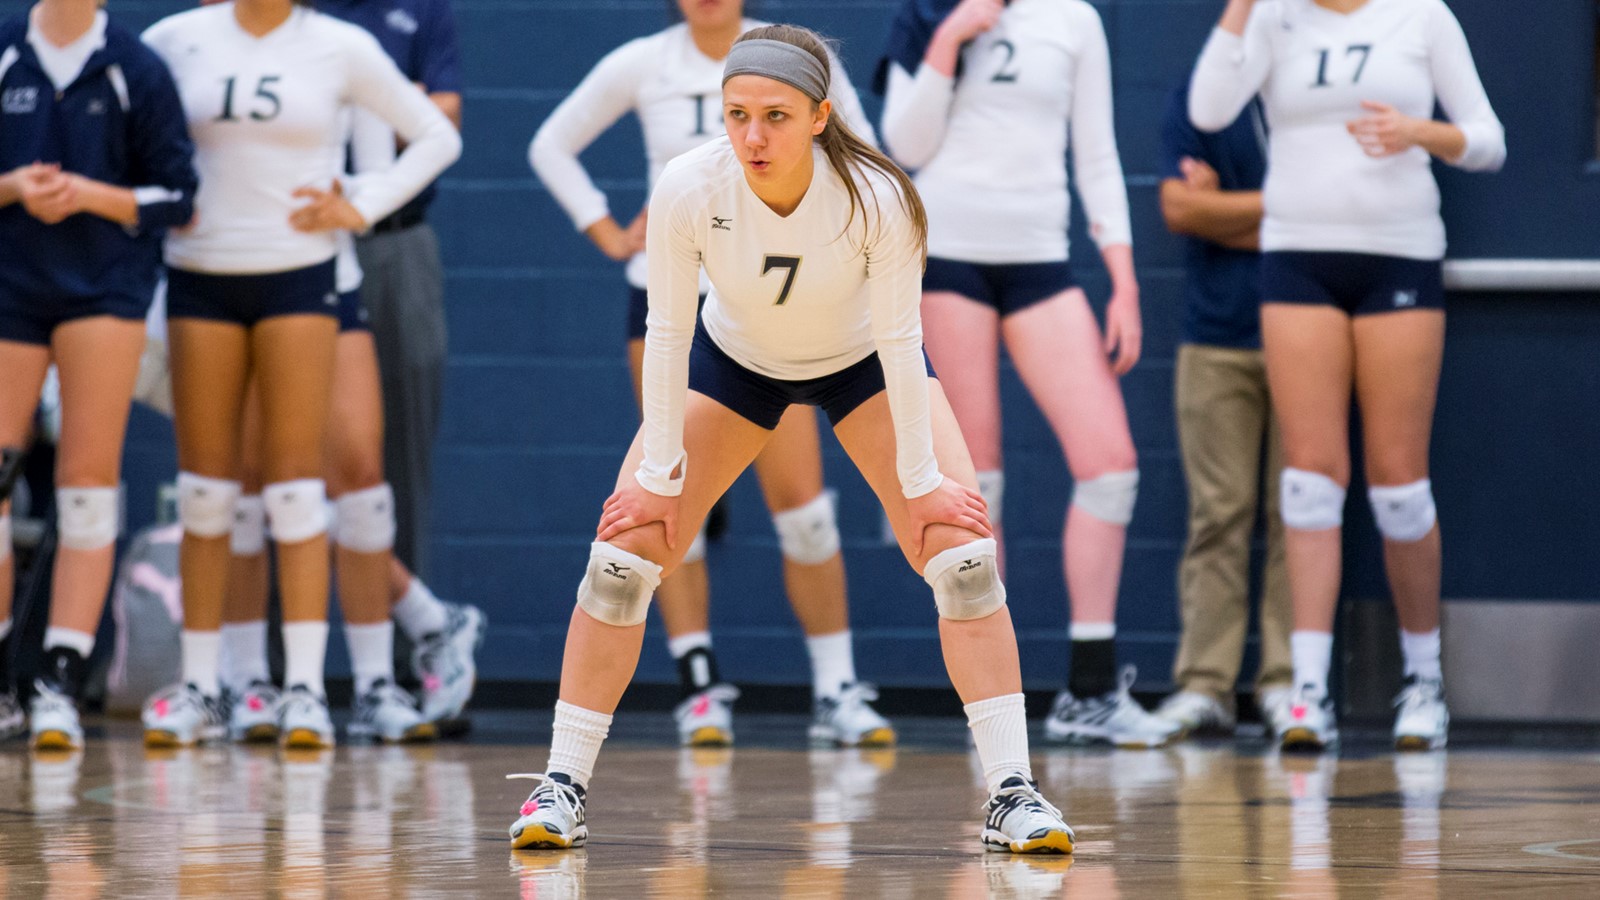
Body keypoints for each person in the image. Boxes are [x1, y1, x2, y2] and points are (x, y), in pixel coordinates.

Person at [507, 25, 1074, 854]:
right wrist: (659, 474)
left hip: (862, 366)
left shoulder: (878, 195)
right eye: (737, 115)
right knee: (622, 556)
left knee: (961, 555)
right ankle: (561, 786)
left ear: (819, 116)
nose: (753, 137)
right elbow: (666, 335)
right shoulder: (689, 185)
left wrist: (922, 484)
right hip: (735, 365)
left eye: (775, 116)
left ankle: (1013, 793)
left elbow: (901, 342)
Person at [529, 0, 893, 747]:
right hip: (671, 297)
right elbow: (550, 144)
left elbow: (870, 159)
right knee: (664, 497)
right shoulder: (645, 61)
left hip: (774, 302)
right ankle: (698, 685)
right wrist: (606, 227)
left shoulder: (791, 56)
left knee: (803, 507)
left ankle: (837, 688)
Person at [139, 0, 460, 748]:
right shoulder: (177, 40)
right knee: (233, 487)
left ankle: (367, 682)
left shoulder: (343, 44)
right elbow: (142, 148)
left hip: (319, 279)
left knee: (351, 480)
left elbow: (419, 137)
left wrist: (360, 204)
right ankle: (242, 678)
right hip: (208, 276)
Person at [1189, 0, 1504, 751]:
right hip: (1297, 257)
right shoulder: (1274, 18)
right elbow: (1209, 109)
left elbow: (1488, 141)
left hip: (1399, 255)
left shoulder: (1420, 16)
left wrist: (1420, 132)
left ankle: (1423, 681)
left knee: (1399, 487)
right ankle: (1307, 691)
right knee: (1309, 481)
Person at [877, 0, 1177, 747]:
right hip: (948, 259)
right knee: (979, 487)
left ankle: (1091, 690)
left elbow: (1097, 155)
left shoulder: (1074, 19)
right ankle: (994, 705)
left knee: (1111, 466)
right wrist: (952, 35)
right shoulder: (931, 11)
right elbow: (903, 144)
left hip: (1041, 260)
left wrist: (1123, 279)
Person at [0, 0, 196, 749]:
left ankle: (58, 679)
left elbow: (177, 196)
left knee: (87, 483)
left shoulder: (135, 67)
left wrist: (86, 195)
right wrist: (16, 187)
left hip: (103, 290)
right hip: (10, 288)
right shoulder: (7, 50)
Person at [1151, 80, 1294, 737]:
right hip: (1216, 336)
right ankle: (1205, 684)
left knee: (1300, 513)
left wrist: (1226, 208)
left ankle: (1286, 683)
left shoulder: (1326, 88)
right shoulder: (1205, 95)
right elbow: (1180, 208)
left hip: (1309, 329)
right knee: (1219, 514)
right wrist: (1292, 211)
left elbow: (1344, 219)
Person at [315, 0, 462, 587]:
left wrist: (376, 103)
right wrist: (400, 98)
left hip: (396, 240)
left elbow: (444, 116)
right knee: (281, 457)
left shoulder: (423, 11)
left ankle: (409, 634)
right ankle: (272, 641)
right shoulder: (291, 15)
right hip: (300, 243)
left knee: (401, 446)